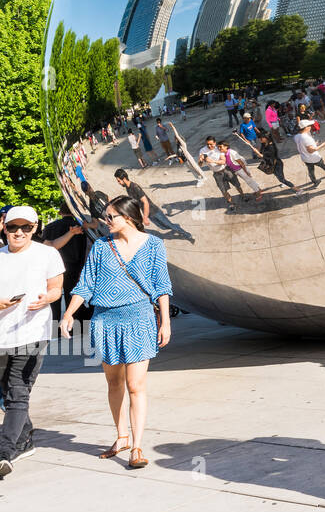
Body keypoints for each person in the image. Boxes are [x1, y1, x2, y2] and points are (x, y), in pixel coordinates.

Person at [60, 196, 172, 470]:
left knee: (136, 385)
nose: (106, 221)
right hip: (105, 321)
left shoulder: (154, 245)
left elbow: (161, 285)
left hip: (139, 319)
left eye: (111, 217)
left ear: (129, 217)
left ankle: (136, 447)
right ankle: (121, 436)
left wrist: (165, 321)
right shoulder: (101, 246)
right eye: (106, 216)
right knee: (114, 383)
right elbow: (85, 283)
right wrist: (68, 313)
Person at [0, 206, 65, 479]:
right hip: (2, 335)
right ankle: (25, 438)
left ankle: (4, 452)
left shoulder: (48, 254)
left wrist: (47, 299)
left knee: (17, 393)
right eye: (14, 227)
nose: (19, 232)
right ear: (4, 228)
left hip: (32, 334)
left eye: (26, 227)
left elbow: (56, 288)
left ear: (35, 228)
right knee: (6, 392)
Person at [113, 168, 194, 238]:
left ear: (123, 178)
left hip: (154, 211)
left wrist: (144, 218)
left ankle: (187, 234)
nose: (119, 183)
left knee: (169, 225)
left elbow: (145, 202)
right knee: (163, 227)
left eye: (119, 181)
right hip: (149, 213)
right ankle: (176, 226)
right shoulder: (128, 188)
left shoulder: (135, 187)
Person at [255, 127, 303, 195]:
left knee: (282, 179)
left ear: (266, 138)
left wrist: (260, 155)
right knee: (279, 176)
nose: (260, 139)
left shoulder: (271, 147)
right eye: (259, 138)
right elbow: (262, 153)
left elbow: (270, 157)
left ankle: (298, 190)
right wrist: (258, 152)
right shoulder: (264, 144)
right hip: (272, 164)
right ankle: (283, 182)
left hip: (277, 164)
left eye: (261, 138)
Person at [294, 122, 325, 187]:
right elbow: (311, 150)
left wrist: (314, 144)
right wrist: (322, 145)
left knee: (311, 170)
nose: (310, 127)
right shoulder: (306, 138)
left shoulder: (296, 136)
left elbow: (303, 145)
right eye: (309, 126)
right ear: (305, 128)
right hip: (313, 158)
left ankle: (315, 181)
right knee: (322, 165)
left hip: (305, 158)